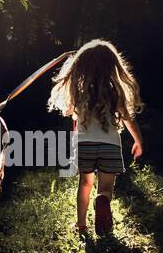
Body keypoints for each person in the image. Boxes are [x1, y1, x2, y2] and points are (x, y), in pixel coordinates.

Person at [47, 39, 144, 236]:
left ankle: (81, 225)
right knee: (106, 187)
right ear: (112, 66)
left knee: (85, 184)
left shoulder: (80, 91)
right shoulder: (114, 92)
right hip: (110, 146)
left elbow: (67, 111)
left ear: (82, 66)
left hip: (85, 146)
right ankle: (103, 200)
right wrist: (138, 141)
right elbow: (128, 119)